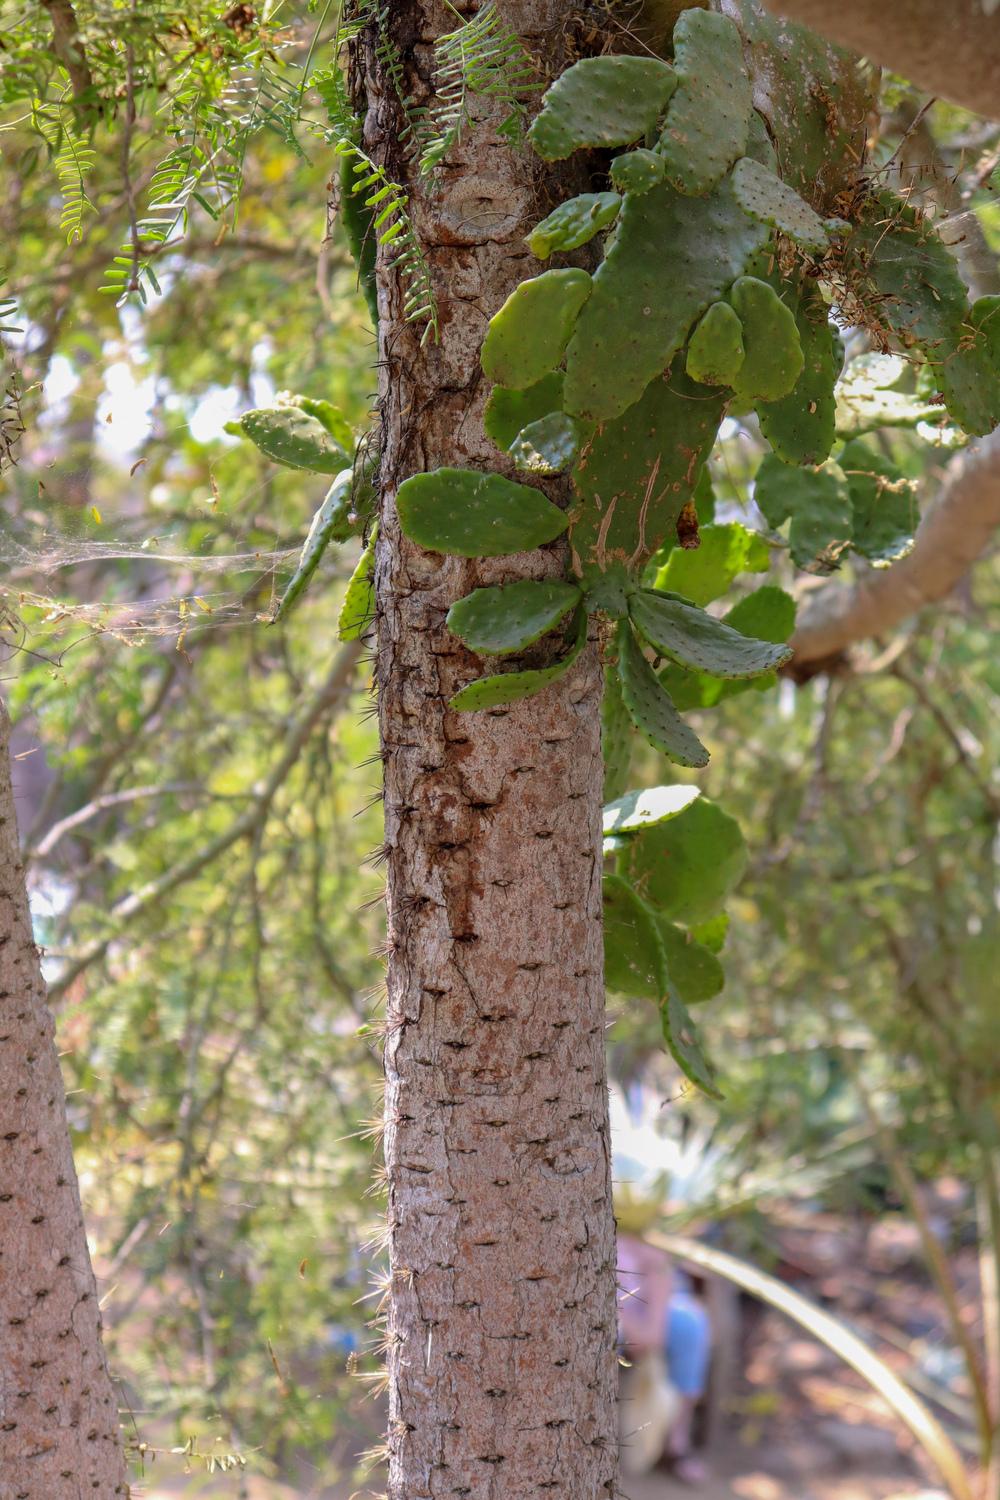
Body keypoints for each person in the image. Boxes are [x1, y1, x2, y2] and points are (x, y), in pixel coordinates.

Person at [618, 1232, 712, 1485]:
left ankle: (675, 1445)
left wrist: (648, 1330)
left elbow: (660, 1272)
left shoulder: (644, 1228)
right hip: (606, 1316)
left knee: (689, 1325)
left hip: (645, 1314)